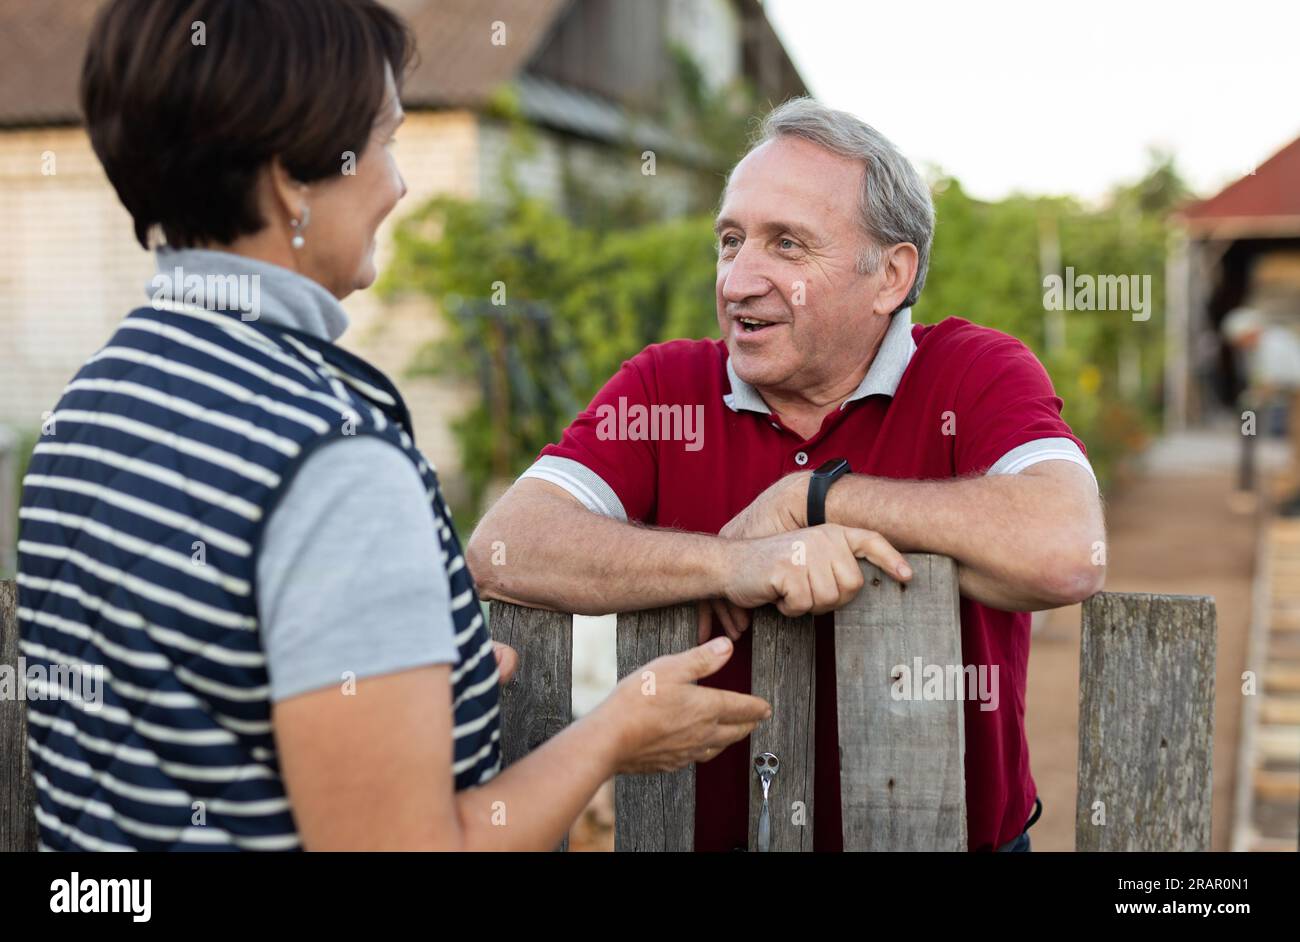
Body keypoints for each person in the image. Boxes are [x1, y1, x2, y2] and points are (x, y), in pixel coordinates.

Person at [17, 0, 769, 852]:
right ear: (290, 179)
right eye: (382, 141)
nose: (398, 184)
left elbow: (176, 710)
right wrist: (617, 730)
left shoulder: (86, 406)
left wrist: (404, 698)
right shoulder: (328, 456)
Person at [469, 98, 1106, 852]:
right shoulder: (667, 386)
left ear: (890, 275)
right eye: (730, 241)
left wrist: (816, 496)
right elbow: (504, 546)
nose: (738, 281)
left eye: (788, 246)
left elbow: (1068, 551)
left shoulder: (973, 371)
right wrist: (732, 563)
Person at [1222, 305, 1300, 514]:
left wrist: (1254, 398)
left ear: (1250, 331)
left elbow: (1270, 383)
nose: (1242, 345)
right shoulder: (1261, 347)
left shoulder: (1271, 343)